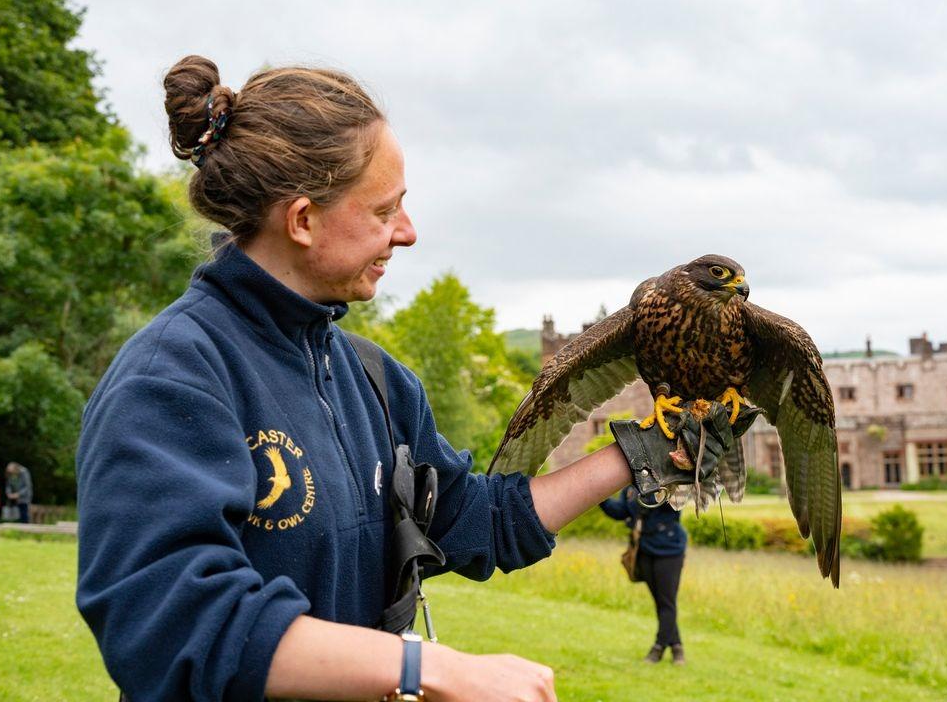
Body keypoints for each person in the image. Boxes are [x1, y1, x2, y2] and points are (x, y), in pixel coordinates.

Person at [75, 55, 737, 702]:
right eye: (384, 210)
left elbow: (479, 523)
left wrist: (640, 454)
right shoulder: (174, 376)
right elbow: (175, 622)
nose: (409, 233)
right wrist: (429, 667)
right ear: (303, 220)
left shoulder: (375, 380)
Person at [600, 485, 688, 665]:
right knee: (660, 601)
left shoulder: (669, 481)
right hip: (644, 548)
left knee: (666, 602)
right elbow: (621, 511)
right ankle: (677, 647)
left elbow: (669, 503)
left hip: (669, 549)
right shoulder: (631, 487)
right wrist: (599, 497)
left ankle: (658, 648)